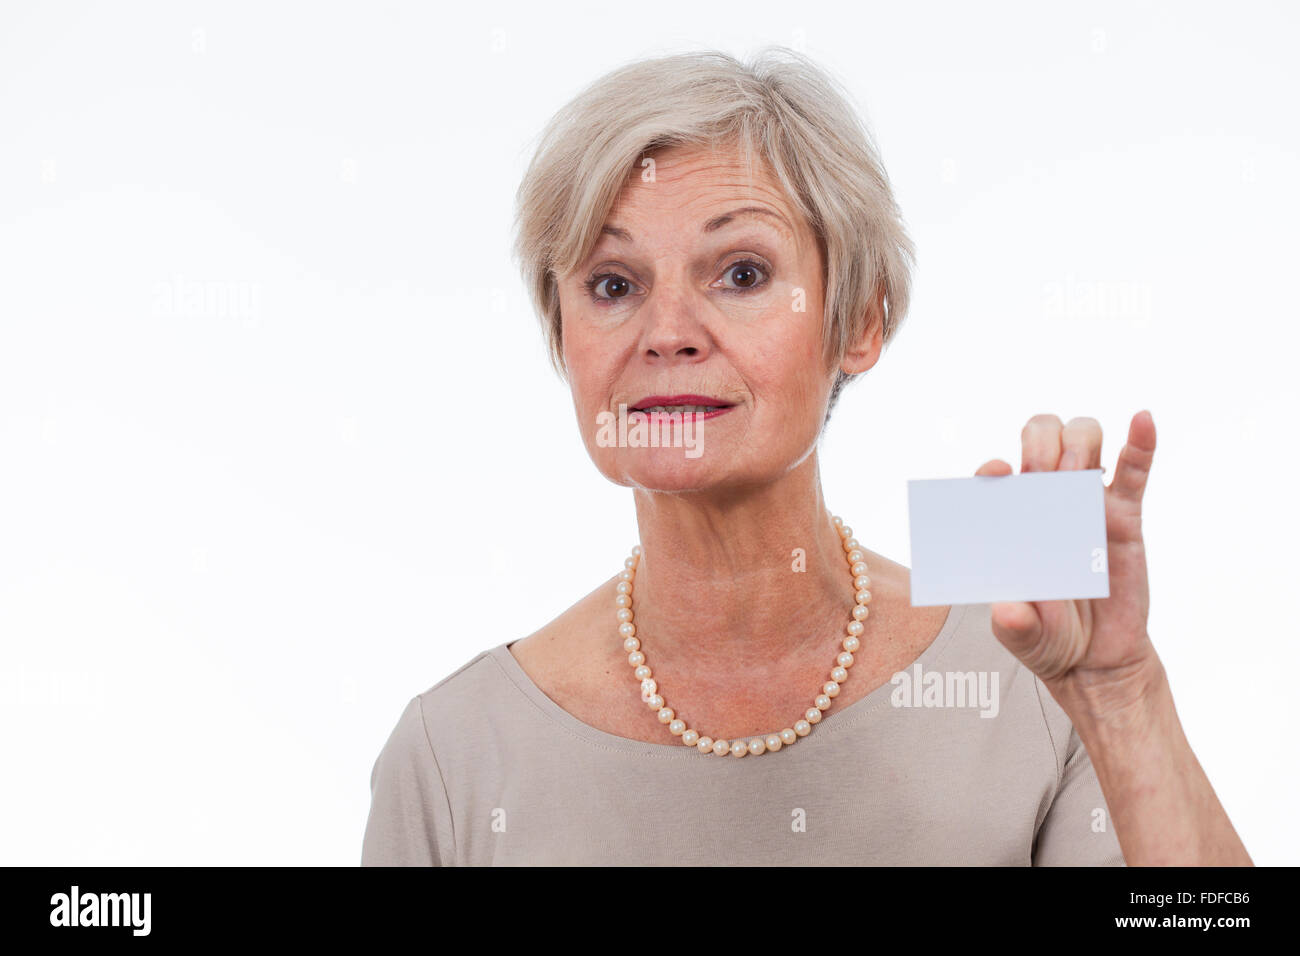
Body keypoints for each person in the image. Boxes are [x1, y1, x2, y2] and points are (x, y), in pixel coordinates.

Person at [360, 47, 1251, 866]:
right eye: (613, 285)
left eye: (741, 273)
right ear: (564, 336)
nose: (667, 334)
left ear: (858, 320)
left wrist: (1121, 697)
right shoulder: (455, 756)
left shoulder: (1026, 674)